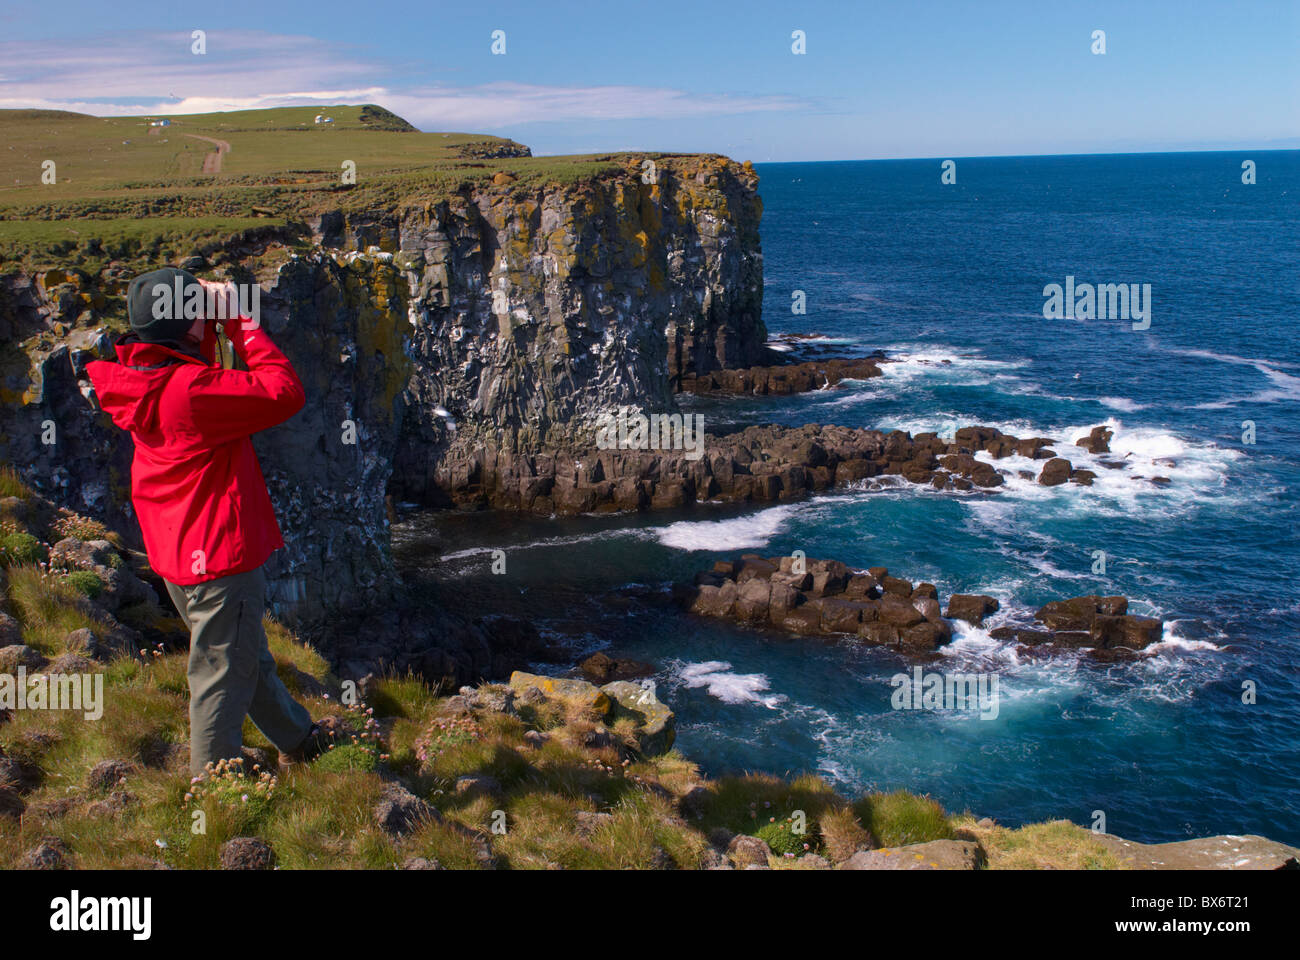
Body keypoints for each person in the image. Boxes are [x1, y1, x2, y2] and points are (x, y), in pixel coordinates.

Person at [84, 267, 330, 777]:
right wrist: (239, 322)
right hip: (219, 558)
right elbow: (284, 391)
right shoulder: (192, 389)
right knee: (220, 672)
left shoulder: (141, 379)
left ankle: (298, 739)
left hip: (176, 553)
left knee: (244, 653)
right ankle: (214, 793)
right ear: (185, 323)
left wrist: (204, 323)